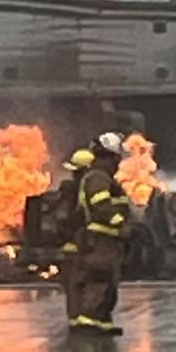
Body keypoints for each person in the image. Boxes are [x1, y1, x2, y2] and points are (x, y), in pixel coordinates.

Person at [74, 132, 130, 336]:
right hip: (101, 239)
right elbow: (101, 206)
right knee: (99, 277)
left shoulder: (102, 176)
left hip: (109, 239)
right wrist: (120, 223)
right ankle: (89, 319)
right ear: (108, 157)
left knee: (109, 279)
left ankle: (103, 319)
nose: (117, 163)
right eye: (116, 159)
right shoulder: (98, 177)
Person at [59, 148, 94, 327]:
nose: (74, 175)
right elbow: (66, 218)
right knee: (77, 282)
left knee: (79, 283)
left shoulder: (81, 188)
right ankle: (78, 318)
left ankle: (79, 317)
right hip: (76, 244)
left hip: (79, 244)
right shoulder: (72, 190)